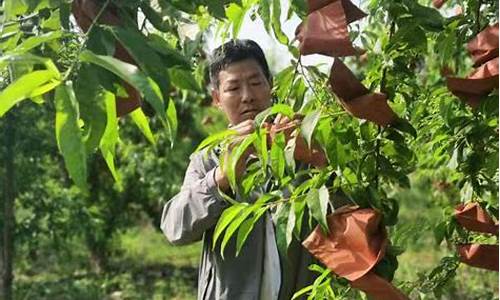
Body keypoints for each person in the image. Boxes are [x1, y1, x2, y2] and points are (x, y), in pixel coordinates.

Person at [160, 39, 327, 300]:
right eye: (233, 88)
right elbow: (175, 228)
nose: (247, 96)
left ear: (270, 84)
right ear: (217, 98)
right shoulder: (208, 159)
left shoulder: (303, 141)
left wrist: (317, 159)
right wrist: (221, 178)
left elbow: (352, 214)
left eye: (256, 83)